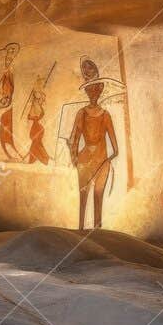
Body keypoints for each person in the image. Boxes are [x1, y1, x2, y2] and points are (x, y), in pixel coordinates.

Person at [66, 58, 118, 229]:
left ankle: (98, 232)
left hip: (102, 162)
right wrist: (73, 155)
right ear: (87, 90)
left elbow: (115, 149)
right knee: (83, 198)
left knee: (98, 197)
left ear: (100, 89)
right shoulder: (81, 113)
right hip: (85, 160)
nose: (93, 92)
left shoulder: (105, 115)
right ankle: (81, 230)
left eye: (96, 88)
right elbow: (74, 138)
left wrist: (106, 160)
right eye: (89, 88)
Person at [24, 76, 50, 164]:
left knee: (36, 142)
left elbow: (41, 114)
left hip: (38, 126)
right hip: (35, 125)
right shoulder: (34, 103)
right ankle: (42, 157)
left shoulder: (39, 104)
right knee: (36, 142)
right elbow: (30, 116)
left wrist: (33, 117)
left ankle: (41, 158)